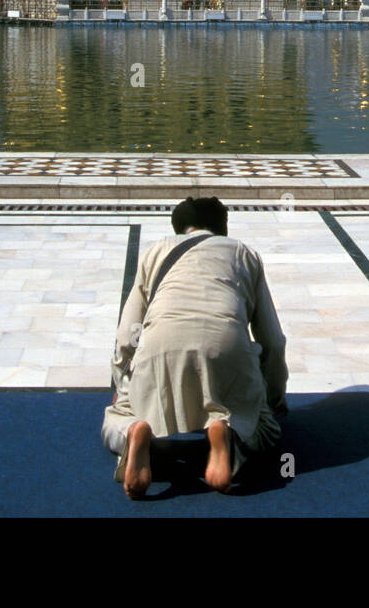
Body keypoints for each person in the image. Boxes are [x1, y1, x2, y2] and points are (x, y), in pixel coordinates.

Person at [102, 196, 288, 499]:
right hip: (227, 350)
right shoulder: (244, 252)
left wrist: (122, 383)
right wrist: (274, 397)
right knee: (265, 428)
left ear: (179, 229)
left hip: (159, 348)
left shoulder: (155, 251)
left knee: (117, 416)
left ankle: (134, 430)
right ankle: (227, 431)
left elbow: (126, 335)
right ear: (221, 228)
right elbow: (273, 341)